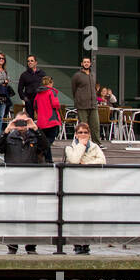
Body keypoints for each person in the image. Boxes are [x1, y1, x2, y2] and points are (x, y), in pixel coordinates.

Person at [0, 111, 43, 254]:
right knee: (11, 214)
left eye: (24, 121)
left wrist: (35, 128)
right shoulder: (9, 136)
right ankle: (12, 245)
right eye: (18, 121)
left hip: (30, 180)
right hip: (12, 180)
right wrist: (7, 130)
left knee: (31, 214)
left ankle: (31, 246)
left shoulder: (34, 135)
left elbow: (45, 146)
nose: (21, 125)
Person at [63, 122, 105, 254]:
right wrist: (81, 146)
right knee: (75, 217)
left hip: (91, 186)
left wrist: (86, 164)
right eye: (80, 132)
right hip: (75, 187)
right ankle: (77, 243)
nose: (83, 135)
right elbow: (74, 160)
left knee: (89, 216)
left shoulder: (95, 147)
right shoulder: (69, 148)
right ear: (75, 134)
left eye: (85, 132)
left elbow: (102, 161)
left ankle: (86, 243)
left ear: (89, 134)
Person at [33, 75, 63, 163]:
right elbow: (55, 104)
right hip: (51, 119)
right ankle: (40, 149)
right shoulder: (51, 92)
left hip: (41, 120)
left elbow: (35, 106)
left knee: (45, 139)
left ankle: (48, 159)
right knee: (50, 138)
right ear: (51, 83)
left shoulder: (38, 93)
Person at [71, 57, 100, 144]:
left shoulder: (93, 75)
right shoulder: (77, 75)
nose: (86, 63)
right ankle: (82, 143)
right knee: (83, 126)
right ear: (82, 64)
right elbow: (74, 89)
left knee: (95, 125)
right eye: (85, 62)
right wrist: (78, 100)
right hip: (82, 104)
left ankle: (97, 143)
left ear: (90, 64)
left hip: (93, 104)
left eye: (88, 62)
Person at [18, 54, 44, 122]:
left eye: (32, 61)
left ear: (36, 62)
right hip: (29, 100)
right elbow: (20, 89)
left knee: (42, 119)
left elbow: (46, 86)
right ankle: (31, 132)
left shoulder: (42, 73)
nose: (30, 62)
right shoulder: (24, 75)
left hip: (40, 100)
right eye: (28, 61)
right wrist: (24, 98)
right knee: (30, 120)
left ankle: (40, 132)